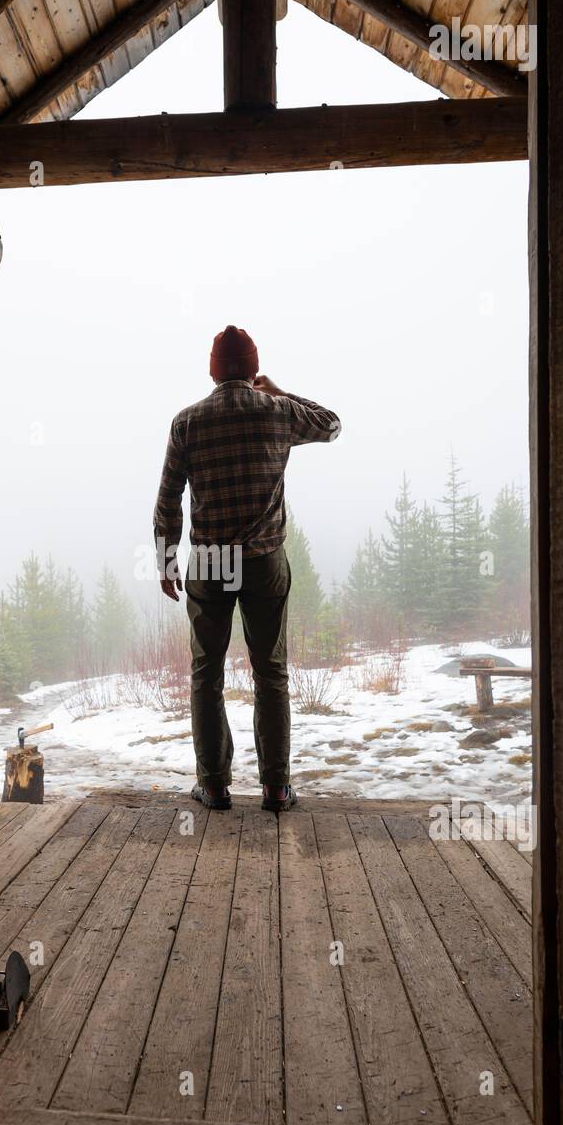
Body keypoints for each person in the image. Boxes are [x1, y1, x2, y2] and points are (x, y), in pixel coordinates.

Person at [153, 325, 341, 812]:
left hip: (210, 562)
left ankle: (214, 786)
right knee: (270, 673)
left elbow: (169, 498)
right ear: (254, 369)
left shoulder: (187, 422)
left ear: (213, 371)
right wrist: (281, 392)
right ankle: (276, 788)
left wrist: (166, 559)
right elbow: (332, 424)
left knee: (206, 674)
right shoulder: (278, 412)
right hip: (263, 561)